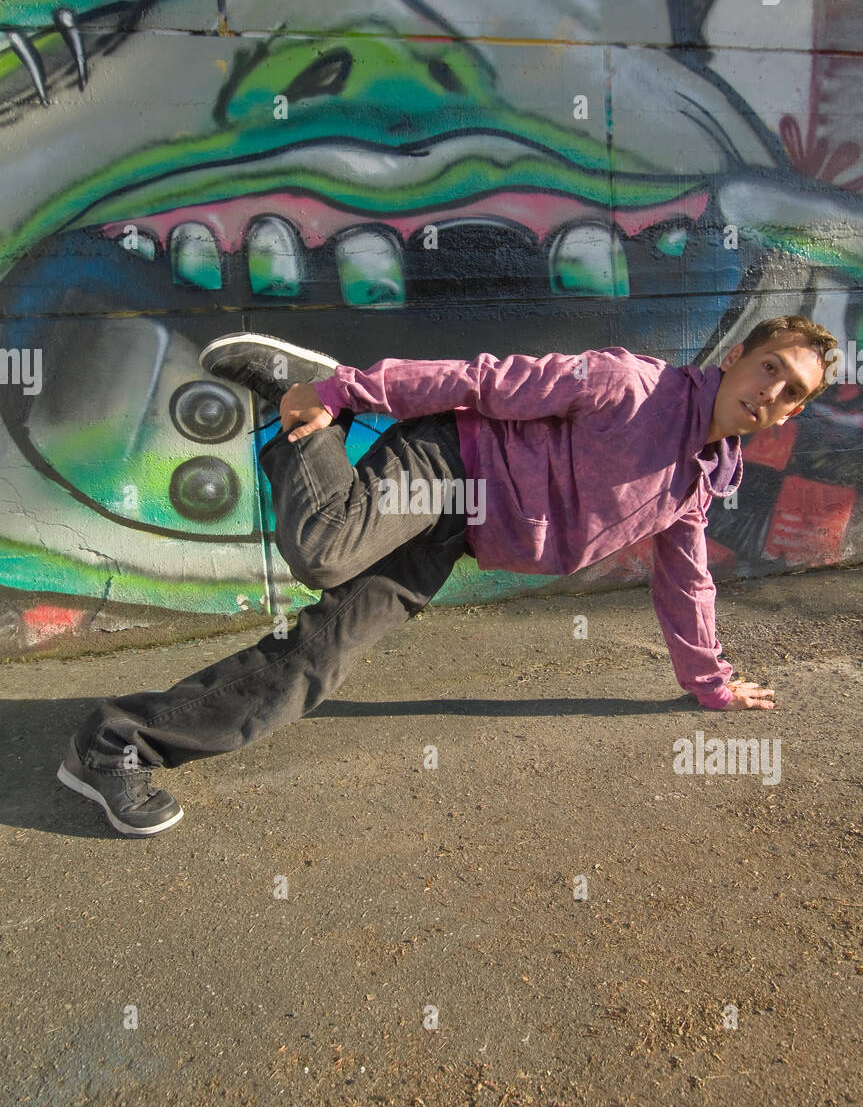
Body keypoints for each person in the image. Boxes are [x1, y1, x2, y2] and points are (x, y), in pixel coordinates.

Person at [56, 314, 835, 836]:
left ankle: (116, 744)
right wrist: (345, 391)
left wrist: (711, 681)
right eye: (768, 368)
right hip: (446, 463)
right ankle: (300, 399)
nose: (769, 392)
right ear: (735, 358)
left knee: (311, 665)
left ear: (790, 414)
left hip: (455, 535)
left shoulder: (699, 479)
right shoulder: (629, 385)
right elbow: (481, 379)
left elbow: (686, 581)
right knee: (326, 546)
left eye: (789, 392)